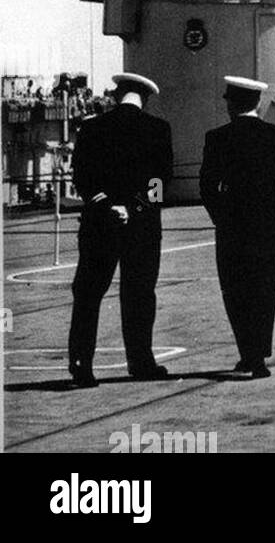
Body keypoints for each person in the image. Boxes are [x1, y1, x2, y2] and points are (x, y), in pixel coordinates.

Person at [68, 73, 173, 388]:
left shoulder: (92, 127)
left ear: (116, 94)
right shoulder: (158, 129)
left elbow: (82, 178)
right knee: (139, 294)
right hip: (141, 228)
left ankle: (81, 365)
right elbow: (159, 184)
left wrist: (106, 206)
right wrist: (133, 208)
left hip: (99, 225)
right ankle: (141, 362)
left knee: (88, 295)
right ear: (146, 97)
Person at [200, 77, 275, 379]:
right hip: (270, 228)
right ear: (258, 103)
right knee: (265, 289)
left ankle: (249, 352)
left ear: (231, 104)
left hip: (232, 227)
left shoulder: (217, 138)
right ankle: (258, 354)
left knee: (235, 290)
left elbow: (207, 186)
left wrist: (220, 216)